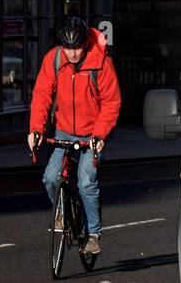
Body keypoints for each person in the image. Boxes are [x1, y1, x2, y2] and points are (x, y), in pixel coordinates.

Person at [28, 16, 122, 256]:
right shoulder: (54, 59)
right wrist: (36, 130)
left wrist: (100, 134)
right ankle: (62, 212)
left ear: (86, 43)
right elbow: (41, 97)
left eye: (77, 47)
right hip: (64, 131)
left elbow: (111, 103)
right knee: (50, 178)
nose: (73, 53)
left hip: (93, 134)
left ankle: (93, 234)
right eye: (68, 48)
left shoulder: (101, 63)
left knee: (85, 181)